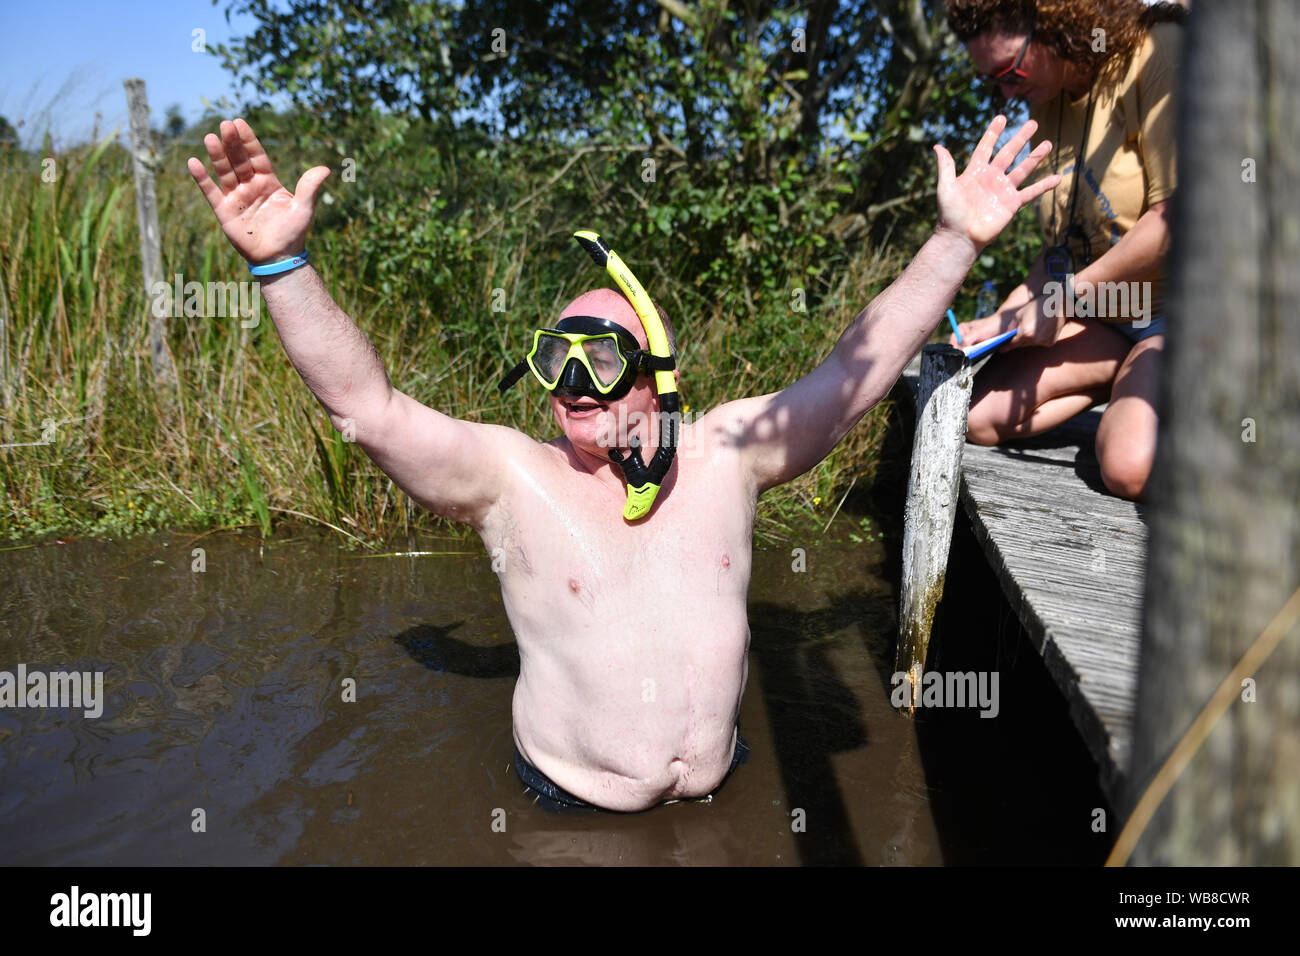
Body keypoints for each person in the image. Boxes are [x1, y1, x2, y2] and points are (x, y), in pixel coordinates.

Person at [187, 113, 1058, 812]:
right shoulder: (512, 480)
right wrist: (281, 264)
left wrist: (955, 242)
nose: (571, 385)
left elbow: (849, 379)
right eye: (552, 358)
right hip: (568, 813)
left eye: (599, 360)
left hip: (717, 795)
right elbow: (367, 409)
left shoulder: (724, 455)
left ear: (658, 373)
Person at [944, 0, 1185, 500]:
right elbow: (1063, 249)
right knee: (979, 418)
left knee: (1127, 466)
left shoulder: (1157, 53)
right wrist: (1001, 319)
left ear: (1055, 26)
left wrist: (1062, 303)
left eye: (1010, 71)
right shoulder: (1046, 99)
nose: (1006, 92)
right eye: (993, 80)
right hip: (1116, 316)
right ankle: (1129, 374)